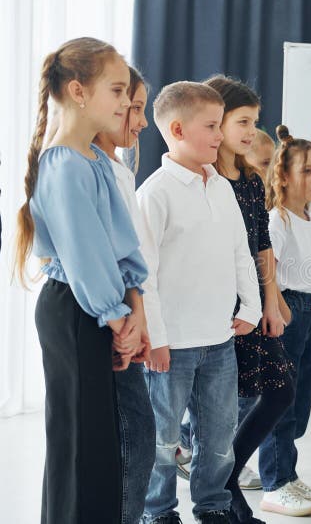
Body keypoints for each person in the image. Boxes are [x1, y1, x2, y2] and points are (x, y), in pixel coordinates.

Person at [14, 36, 148, 524]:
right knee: (79, 441)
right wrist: (117, 315)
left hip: (95, 307)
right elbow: (87, 255)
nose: (123, 102)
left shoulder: (93, 160)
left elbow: (122, 246)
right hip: (76, 308)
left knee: (97, 441)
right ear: (78, 92)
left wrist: (130, 303)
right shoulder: (64, 163)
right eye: (116, 91)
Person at [137, 81, 261, 524]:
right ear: (177, 129)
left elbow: (240, 252)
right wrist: (157, 338)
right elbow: (143, 274)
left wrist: (251, 307)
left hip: (219, 340)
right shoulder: (156, 192)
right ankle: (158, 512)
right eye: (211, 126)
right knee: (163, 439)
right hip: (172, 346)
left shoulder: (222, 188)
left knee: (219, 437)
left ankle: (212, 505)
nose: (218, 135)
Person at [206, 75, 295, 524]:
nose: (250, 131)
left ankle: (226, 477)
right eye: (243, 121)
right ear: (215, 120)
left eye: (253, 122)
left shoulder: (250, 179)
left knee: (281, 391)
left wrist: (272, 301)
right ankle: (225, 494)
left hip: (254, 302)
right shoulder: (205, 177)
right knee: (220, 409)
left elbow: (263, 245)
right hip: (220, 307)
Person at [93, 64, 157, 524]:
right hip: (107, 318)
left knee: (137, 433)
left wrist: (139, 316)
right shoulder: (89, 169)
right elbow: (99, 256)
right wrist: (125, 320)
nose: (140, 120)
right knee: (134, 433)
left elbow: (132, 258)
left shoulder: (120, 170)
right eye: (134, 107)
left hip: (125, 316)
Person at [258, 125, 311, 517]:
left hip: (310, 310)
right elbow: (267, 267)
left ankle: (288, 472)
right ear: (283, 176)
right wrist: (279, 308)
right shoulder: (278, 220)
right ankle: (274, 484)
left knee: (299, 398)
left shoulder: (309, 217)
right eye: (307, 171)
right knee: (280, 400)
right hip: (289, 310)